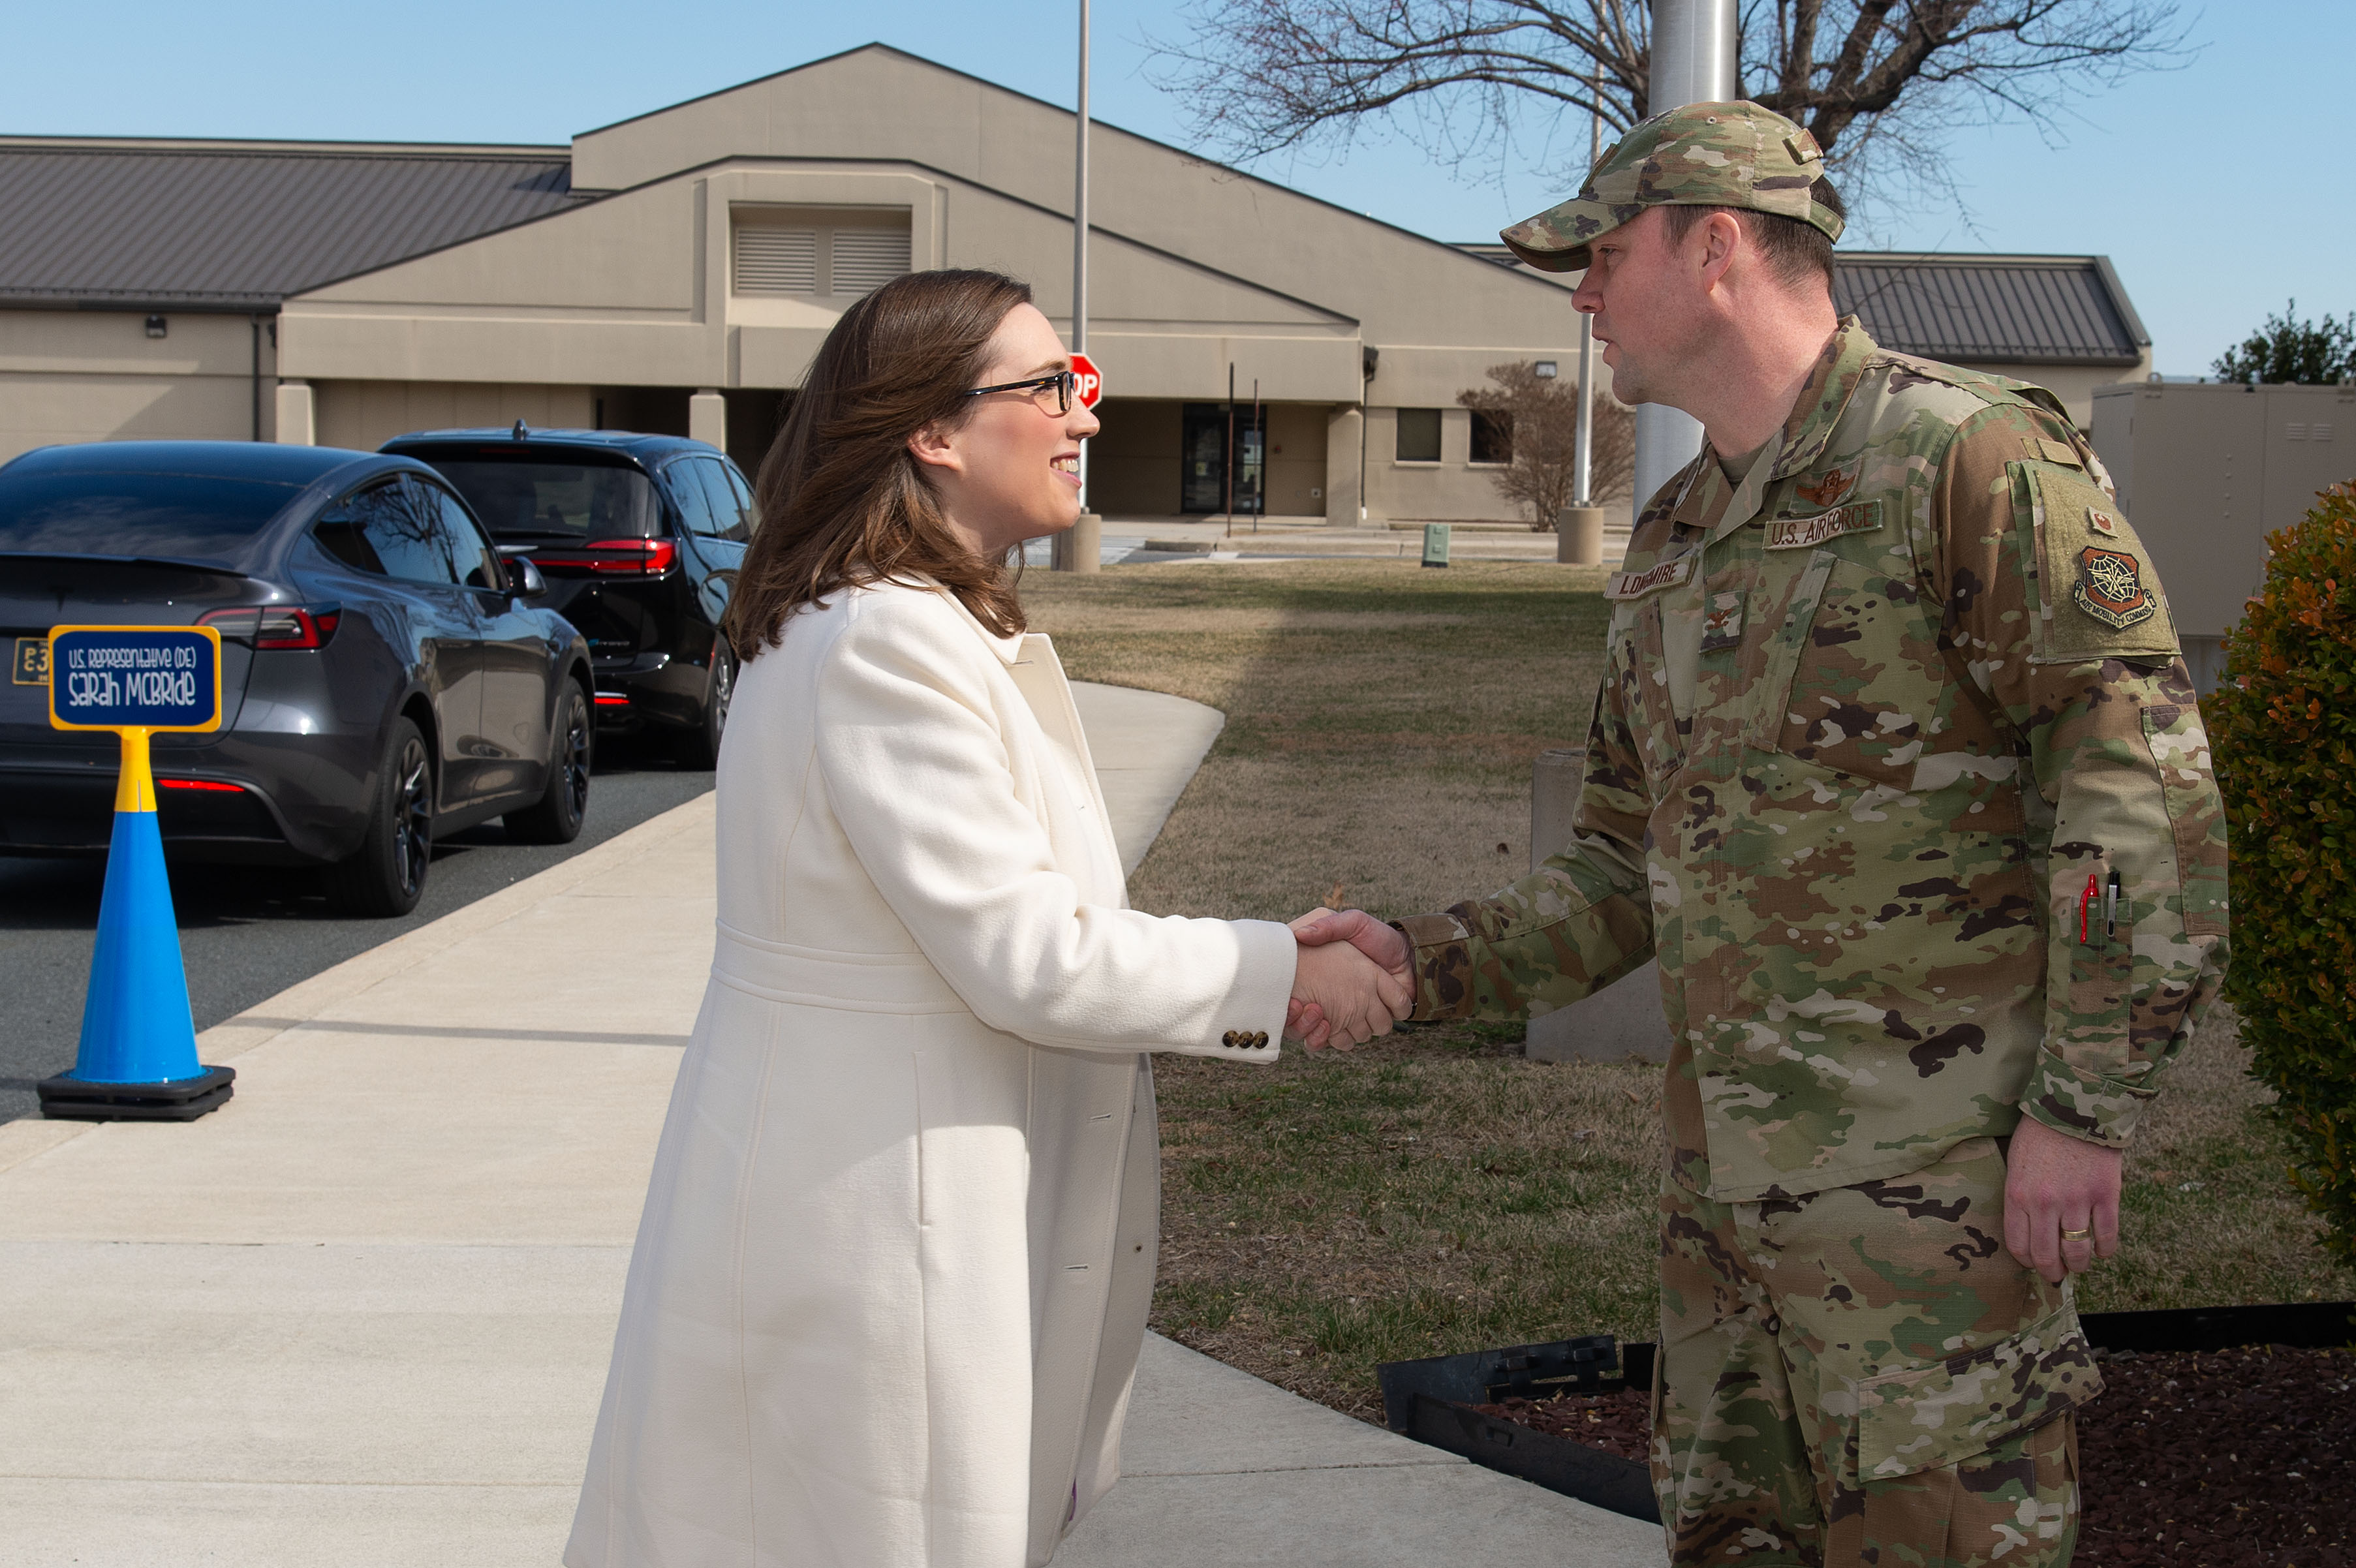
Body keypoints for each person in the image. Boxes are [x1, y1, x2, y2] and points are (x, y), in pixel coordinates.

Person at [1293, 102, 2227, 1567]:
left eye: (1602, 254)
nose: (1581, 293)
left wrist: (2082, 1105)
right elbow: (1619, 864)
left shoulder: (1966, 461)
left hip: (1935, 1215)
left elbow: (2134, 795)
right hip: (1725, 1228)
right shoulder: (1674, 534)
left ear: (1715, 245)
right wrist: (1418, 959)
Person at [565, 269, 1407, 1568]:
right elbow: (1031, 956)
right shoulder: (883, 639)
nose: (1083, 414)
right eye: (1048, 385)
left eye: (1085, 383)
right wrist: (1278, 969)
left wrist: (1267, 957)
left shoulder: (906, 623)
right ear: (933, 430)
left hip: (879, 1178)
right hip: (876, 1214)